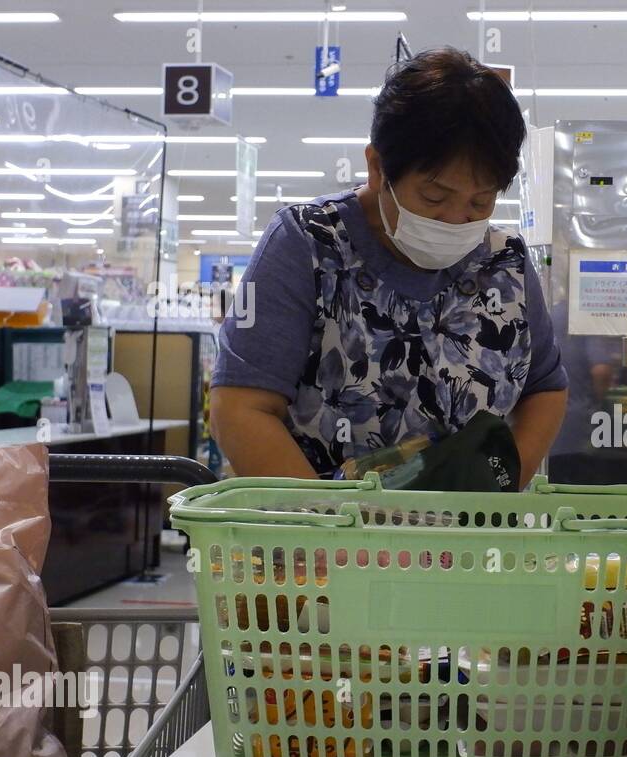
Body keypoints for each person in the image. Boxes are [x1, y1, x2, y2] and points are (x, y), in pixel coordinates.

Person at [210, 47, 567, 484]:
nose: (457, 219)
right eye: (434, 198)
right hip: (313, 538)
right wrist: (331, 531)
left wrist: (495, 491)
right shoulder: (307, 245)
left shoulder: (504, 262)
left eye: (480, 201)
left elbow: (545, 388)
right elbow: (241, 408)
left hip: (468, 546)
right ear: (378, 168)